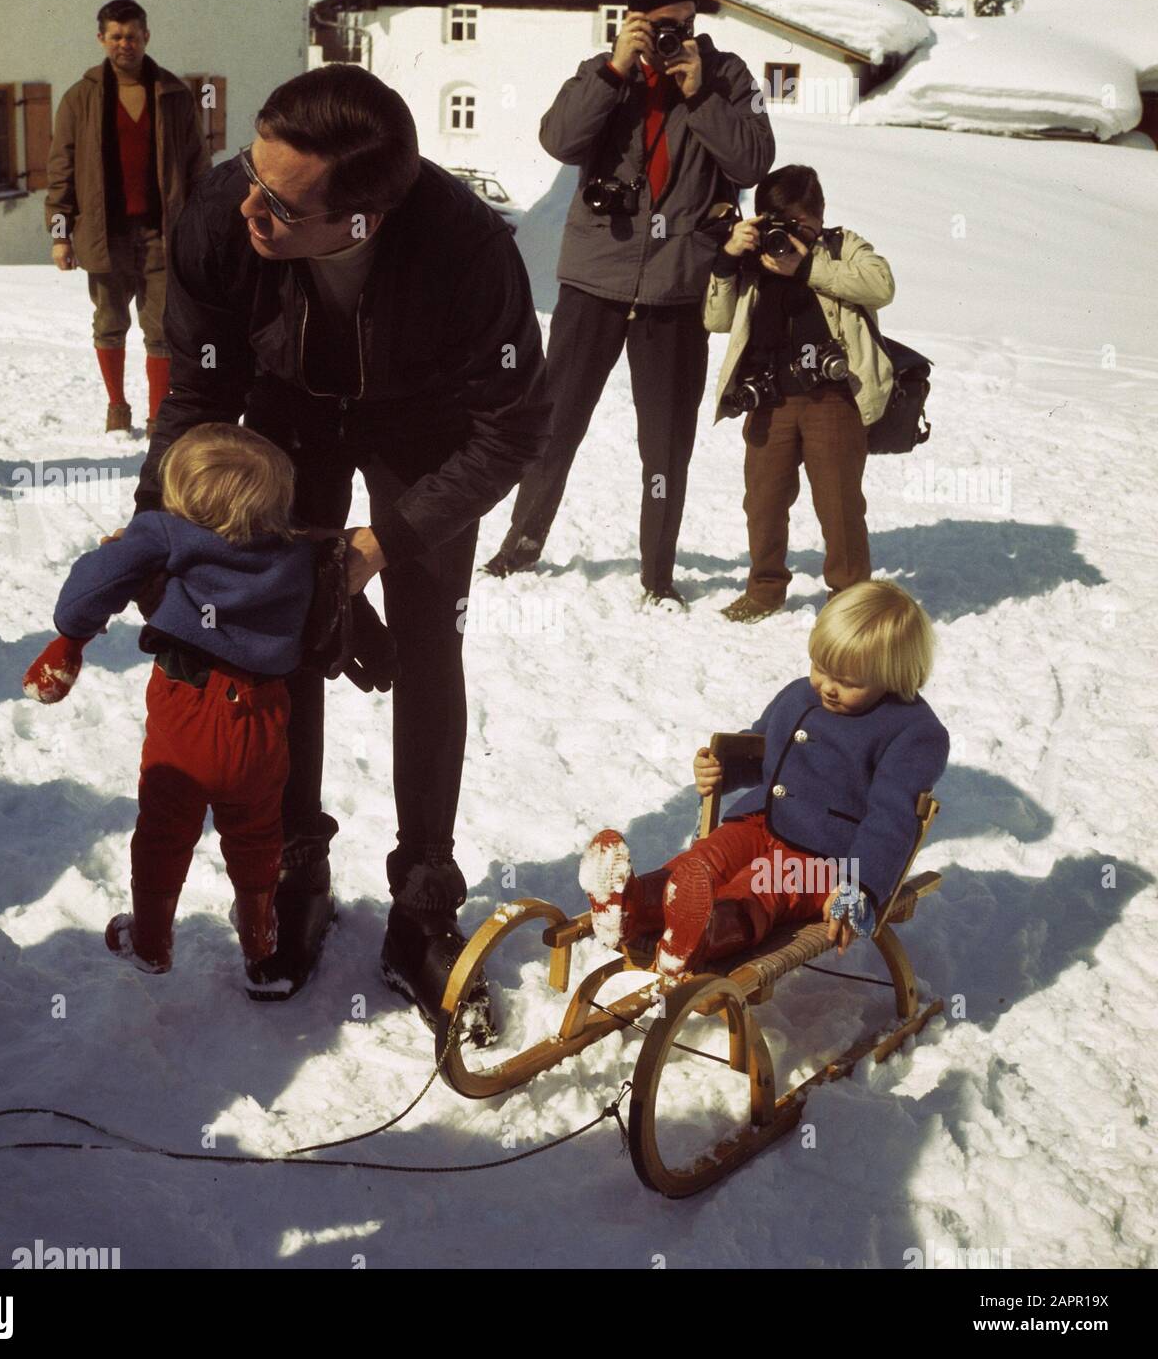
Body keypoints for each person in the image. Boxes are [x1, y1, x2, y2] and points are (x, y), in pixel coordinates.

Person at [127, 65, 550, 1038]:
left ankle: (424, 901)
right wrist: (173, 533)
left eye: (279, 201)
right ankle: (295, 868)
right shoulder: (220, 222)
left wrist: (379, 544)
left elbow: (515, 430)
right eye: (251, 174)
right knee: (287, 633)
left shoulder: (468, 252)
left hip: (430, 424)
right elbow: (194, 402)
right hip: (289, 413)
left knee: (429, 643)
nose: (249, 206)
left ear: (360, 221)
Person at [482, 0, 775, 609]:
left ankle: (658, 576)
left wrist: (701, 98)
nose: (675, 37)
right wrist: (614, 71)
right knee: (554, 423)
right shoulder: (604, 72)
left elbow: (754, 162)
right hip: (596, 278)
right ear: (635, 20)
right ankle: (520, 545)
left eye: (686, 25)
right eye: (661, 25)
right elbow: (558, 140)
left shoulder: (727, 78)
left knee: (666, 439)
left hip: (677, 287)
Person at [21, 424, 317, 996]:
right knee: (258, 832)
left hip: (189, 710)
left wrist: (71, 635)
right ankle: (260, 932)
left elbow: (86, 592)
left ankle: (152, 940)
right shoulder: (296, 550)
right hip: (266, 718)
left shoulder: (166, 532)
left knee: (164, 830)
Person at [579, 580, 948, 975]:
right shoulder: (799, 695)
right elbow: (760, 749)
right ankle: (631, 904)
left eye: (849, 682)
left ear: (894, 675)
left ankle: (706, 932)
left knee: (761, 885)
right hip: (758, 822)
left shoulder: (911, 732)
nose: (827, 686)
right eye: (820, 668)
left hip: (820, 858)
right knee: (704, 861)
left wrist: (861, 887)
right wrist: (722, 769)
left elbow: (891, 820)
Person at [704, 164, 897, 623]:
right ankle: (765, 589)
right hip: (768, 396)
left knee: (839, 501)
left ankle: (849, 598)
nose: (786, 237)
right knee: (763, 501)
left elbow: (882, 286)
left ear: (818, 217)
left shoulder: (841, 246)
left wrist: (807, 264)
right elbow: (715, 319)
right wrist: (728, 258)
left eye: (799, 226)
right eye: (777, 224)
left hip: (830, 397)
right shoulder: (752, 257)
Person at [46, 0, 209, 436]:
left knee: (161, 328)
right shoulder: (79, 99)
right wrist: (60, 234)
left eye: (132, 35)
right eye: (115, 36)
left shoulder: (174, 95)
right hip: (104, 234)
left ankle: (159, 416)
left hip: (163, 233)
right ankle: (117, 408)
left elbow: (198, 166)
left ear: (146, 37)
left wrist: (201, 232)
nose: (125, 44)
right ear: (101, 39)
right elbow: (60, 170)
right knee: (110, 322)